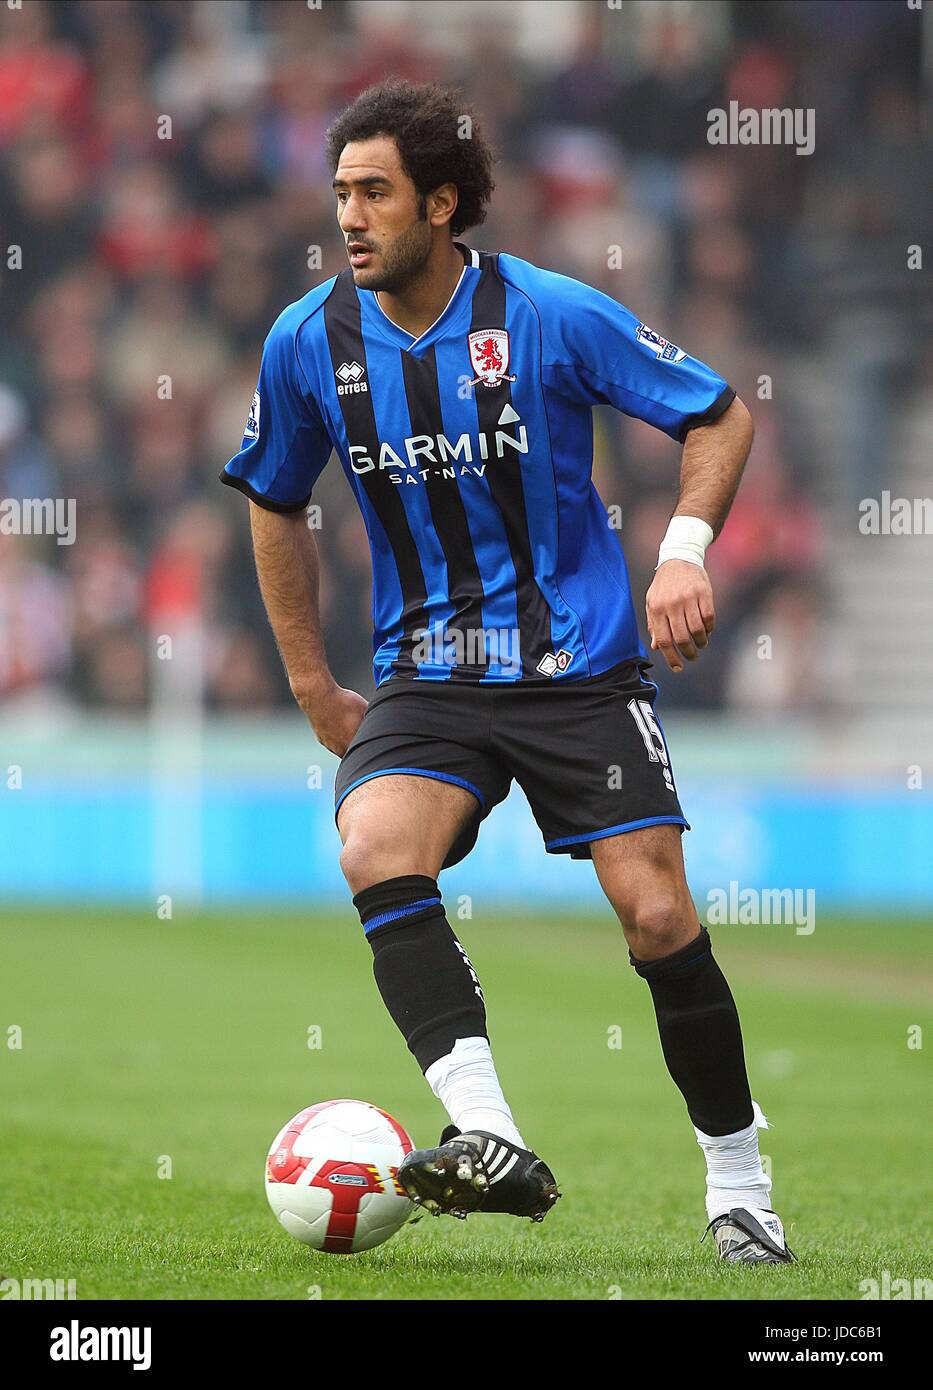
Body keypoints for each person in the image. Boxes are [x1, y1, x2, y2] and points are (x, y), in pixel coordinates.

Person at [221, 78, 792, 1264]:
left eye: (375, 193)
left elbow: (720, 416)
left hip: (578, 664)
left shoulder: (545, 312)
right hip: (424, 672)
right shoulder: (306, 341)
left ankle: (741, 1183)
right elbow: (274, 500)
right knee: (376, 843)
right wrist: (311, 682)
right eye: (340, 195)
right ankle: (485, 1131)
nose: (351, 218)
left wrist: (682, 553)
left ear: (441, 202)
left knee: (655, 912)